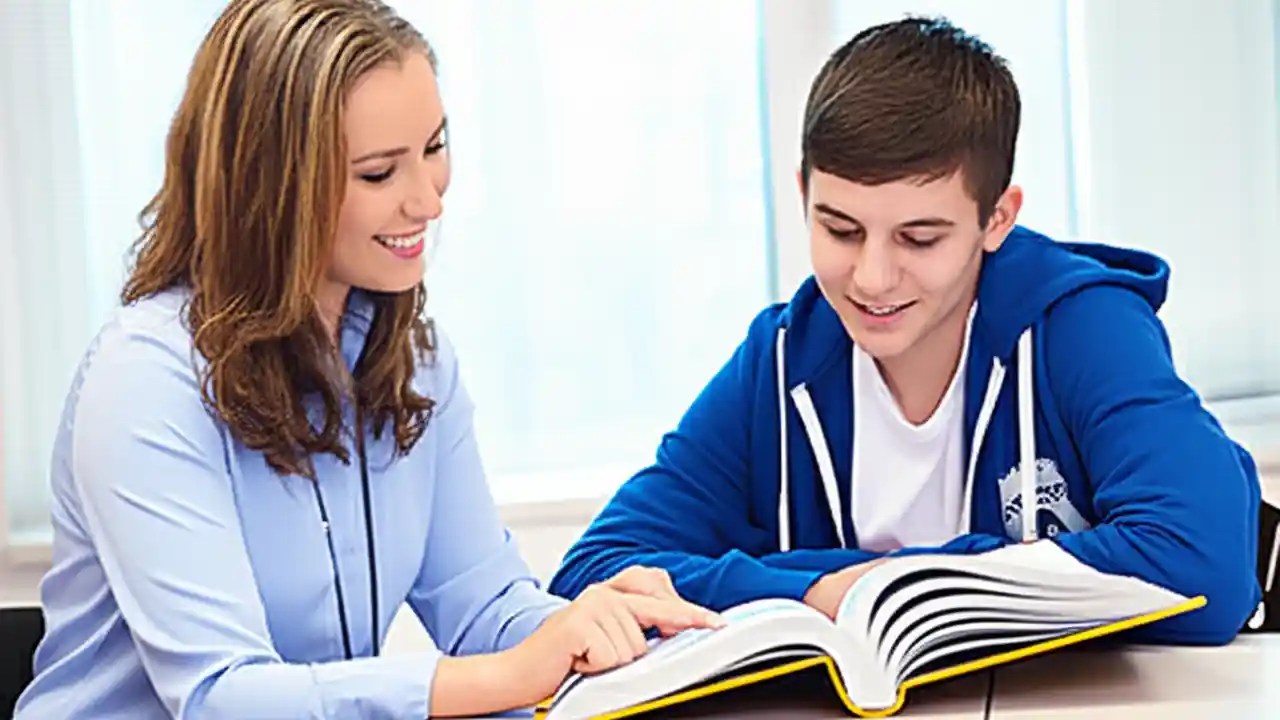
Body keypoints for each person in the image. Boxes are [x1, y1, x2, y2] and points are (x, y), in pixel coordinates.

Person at [14, 1, 721, 718]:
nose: (427, 201)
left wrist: (596, 632)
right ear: (271, 187)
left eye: (435, 147)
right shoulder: (145, 380)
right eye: (380, 174)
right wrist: (512, 677)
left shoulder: (416, 360)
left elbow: (482, 607)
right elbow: (219, 697)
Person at [548, 16, 1261, 645]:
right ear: (804, 193)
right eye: (840, 229)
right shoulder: (781, 361)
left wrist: (883, 586)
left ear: (997, 219)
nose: (872, 278)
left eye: (919, 238)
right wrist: (811, 593)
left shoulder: (1081, 325)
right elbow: (592, 574)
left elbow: (1206, 569)